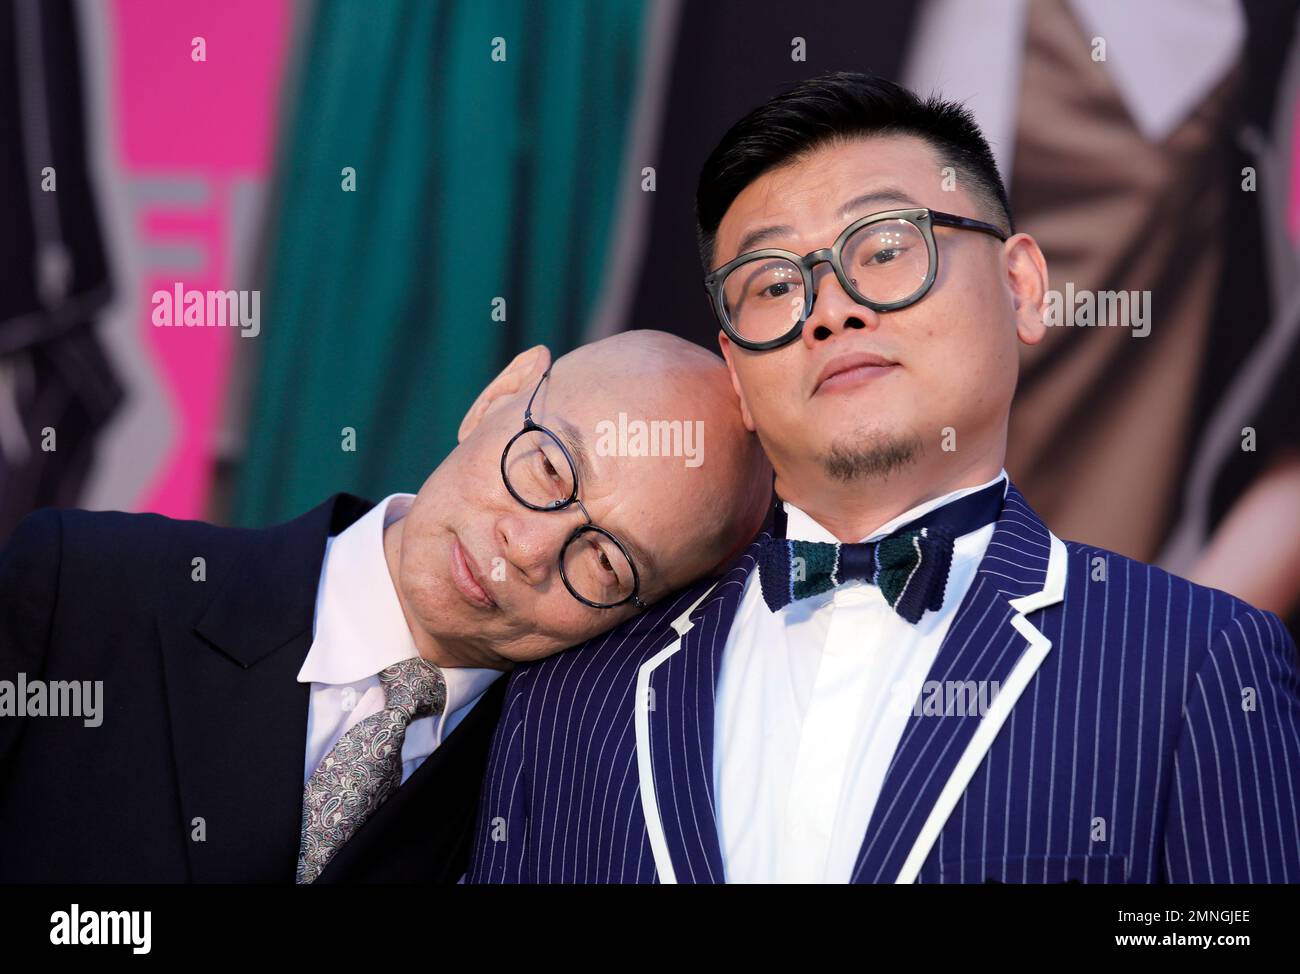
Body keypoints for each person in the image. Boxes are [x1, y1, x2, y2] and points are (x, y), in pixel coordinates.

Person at [468, 73, 1300, 884]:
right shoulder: (569, 696)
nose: (831, 309)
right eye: (772, 284)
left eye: (887, 247)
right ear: (735, 372)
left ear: (1022, 287)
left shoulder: (1195, 662)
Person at [0, 330, 771, 883]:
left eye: (604, 559)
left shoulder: (556, 811)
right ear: (498, 397)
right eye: (547, 467)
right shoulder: (83, 590)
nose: (529, 549)